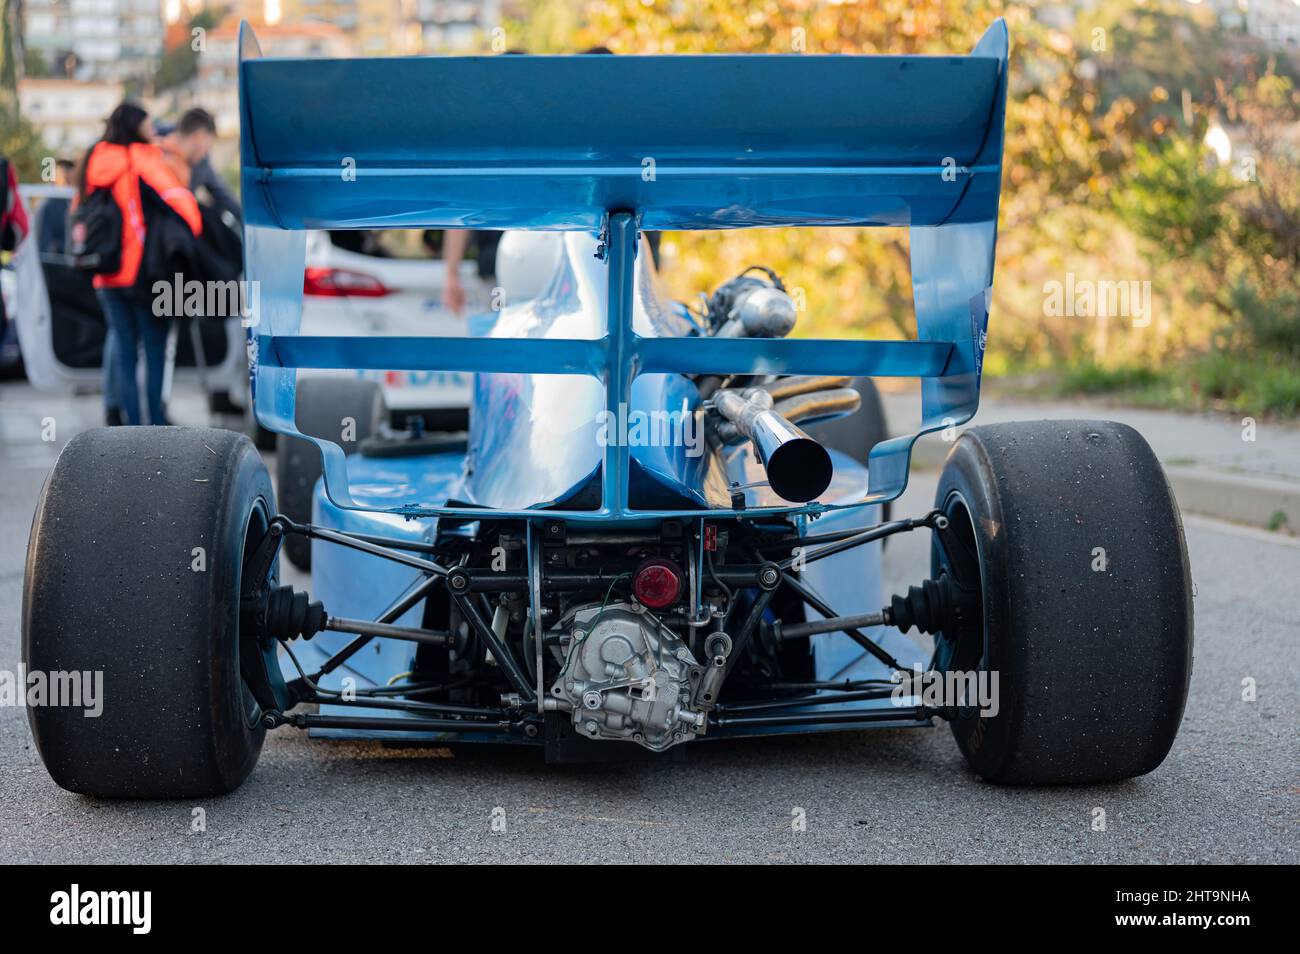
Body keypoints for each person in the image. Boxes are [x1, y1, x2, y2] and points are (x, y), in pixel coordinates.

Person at [79, 102, 202, 426]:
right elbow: (179, 201)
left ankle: (130, 424)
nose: (152, 134)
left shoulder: (95, 160)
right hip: (139, 274)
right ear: (135, 128)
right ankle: (156, 422)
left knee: (124, 351)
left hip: (104, 275)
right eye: (148, 127)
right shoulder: (140, 157)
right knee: (155, 347)